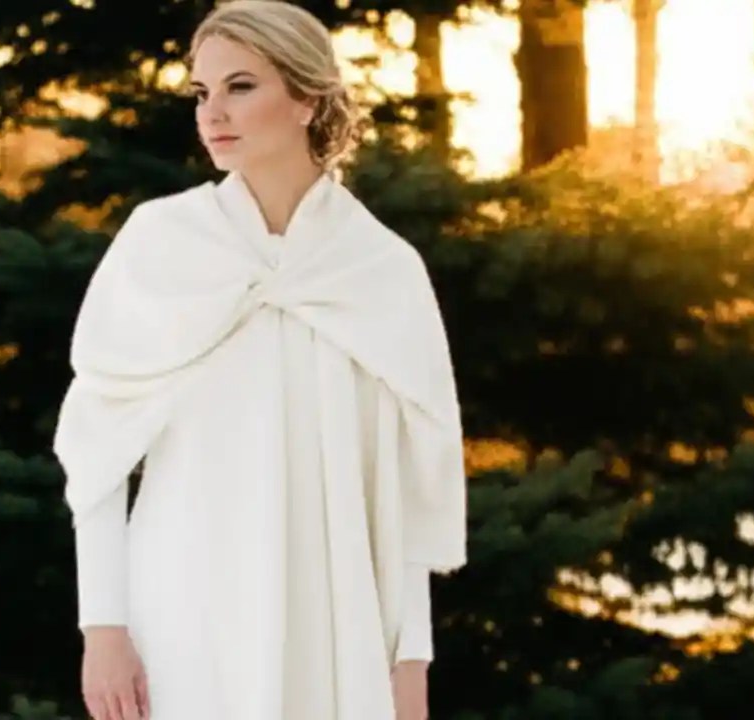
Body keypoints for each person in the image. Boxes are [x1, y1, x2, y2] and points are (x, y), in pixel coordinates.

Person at [51, 1, 468, 718]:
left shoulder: (381, 270)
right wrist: (104, 627)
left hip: (336, 621)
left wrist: (410, 660)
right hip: (182, 612)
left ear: (307, 97)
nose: (213, 112)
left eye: (241, 86)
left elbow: (406, 489)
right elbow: (97, 455)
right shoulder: (159, 244)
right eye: (201, 92)